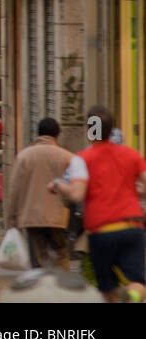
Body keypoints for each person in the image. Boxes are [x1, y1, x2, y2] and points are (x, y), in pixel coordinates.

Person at [51, 107, 146, 301]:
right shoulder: (131, 155)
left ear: (90, 130)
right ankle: (133, 295)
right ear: (112, 130)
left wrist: (59, 185)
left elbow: (77, 194)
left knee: (106, 287)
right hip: (132, 228)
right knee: (137, 282)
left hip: (101, 231)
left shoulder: (82, 159)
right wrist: (133, 192)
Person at [5, 117, 72, 270]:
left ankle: (40, 287)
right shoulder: (67, 157)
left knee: (37, 259)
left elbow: (15, 190)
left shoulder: (24, 157)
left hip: (31, 217)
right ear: (57, 134)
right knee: (60, 253)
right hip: (58, 217)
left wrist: (12, 220)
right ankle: (62, 286)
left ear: (38, 134)